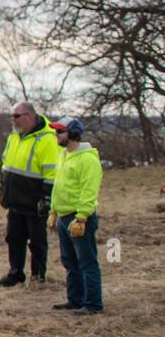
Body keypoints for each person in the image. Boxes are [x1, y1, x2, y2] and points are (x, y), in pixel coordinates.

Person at [0, 100, 61, 287]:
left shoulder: (47, 139)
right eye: (12, 116)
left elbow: (52, 173)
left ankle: (38, 276)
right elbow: (5, 166)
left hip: (34, 200)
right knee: (14, 238)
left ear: (30, 116)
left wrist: (46, 199)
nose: (13, 120)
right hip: (15, 199)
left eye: (17, 116)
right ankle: (15, 273)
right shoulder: (14, 137)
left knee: (37, 241)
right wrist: (3, 191)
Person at [48, 118, 104, 314]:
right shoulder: (64, 155)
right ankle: (75, 300)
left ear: (72, 133)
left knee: (87, 262)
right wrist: (54, 211)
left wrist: (81, 218)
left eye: (60, 132)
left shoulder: (87, 159)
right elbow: (59, 186)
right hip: (64, 217)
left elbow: (89, 191)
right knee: (70, 262)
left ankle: (93, 304)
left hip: (79, 218)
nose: (57, 136)